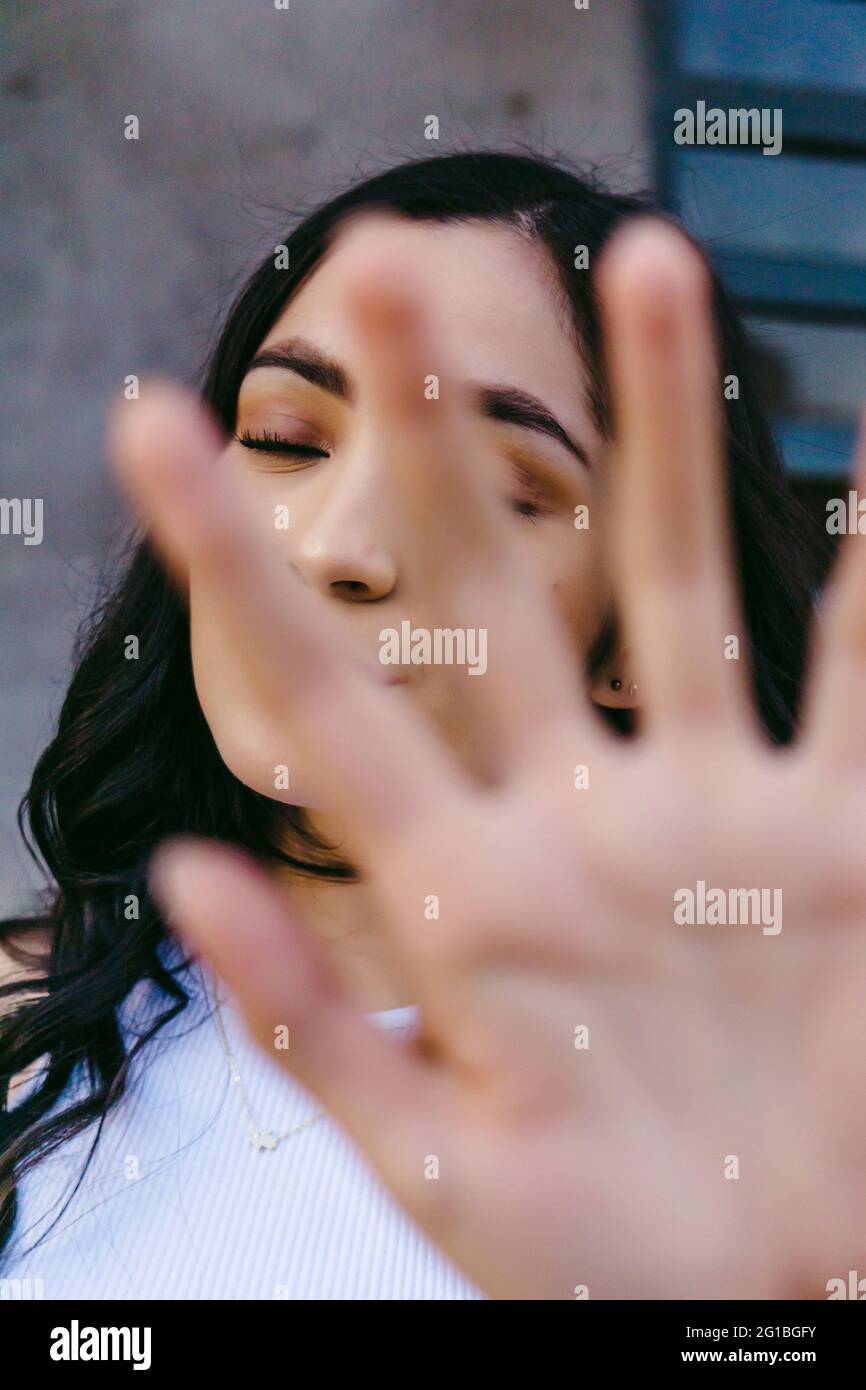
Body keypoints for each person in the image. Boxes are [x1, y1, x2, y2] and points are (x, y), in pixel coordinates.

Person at [2, 151, 861, 1301]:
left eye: (489, 494)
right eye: (286, 440)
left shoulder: (758, 1122)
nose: (334, 550)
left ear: (627, 640)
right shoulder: (24, 1031)